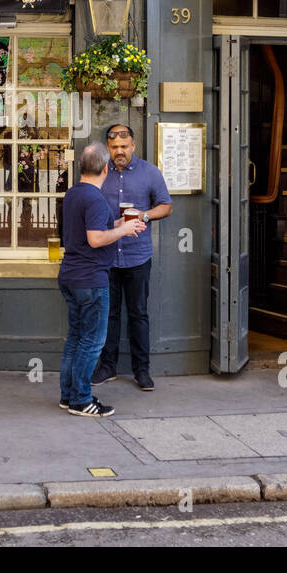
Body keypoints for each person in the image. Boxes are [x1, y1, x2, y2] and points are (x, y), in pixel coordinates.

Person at [59, 143, 148, 417]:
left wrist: (122, 225)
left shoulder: (73, 193)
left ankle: (69, 394)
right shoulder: (95, 198)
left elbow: (91, 231)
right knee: (92, 341)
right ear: (105, 169)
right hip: (91, 278)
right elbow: (95, 239)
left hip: (71, 275)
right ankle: (82, 399)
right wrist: (122, 232)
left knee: (75, 337)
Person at [91, 124, 173, 391]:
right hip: (107, 256)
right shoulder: (100, 173)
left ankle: (142, 371)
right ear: (108, 148)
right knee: (109, 315)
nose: (119, 152)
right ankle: (108, 367)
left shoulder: (150, 172)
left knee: (138, 314)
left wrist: (144, 215)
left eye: (124, 147)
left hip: (138, 256)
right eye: (114, 148)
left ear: (133, 146)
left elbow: (166, 206)